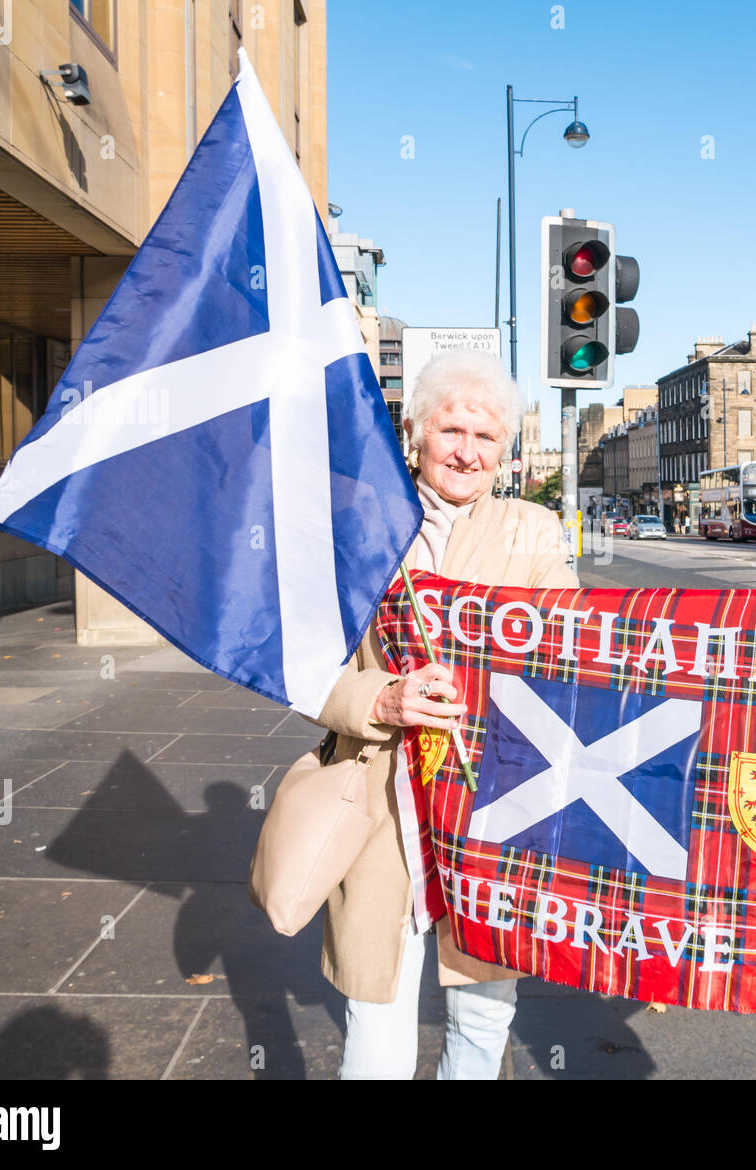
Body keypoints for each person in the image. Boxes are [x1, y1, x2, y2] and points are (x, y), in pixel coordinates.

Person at [307, 349, 578, 1079]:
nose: (467, 451)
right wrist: (380, 699)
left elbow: (571, 655)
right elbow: (308, 671)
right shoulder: (359, 528)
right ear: (415, 433)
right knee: (378, 1020)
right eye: (451, 430)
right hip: (381, 803)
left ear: (506, 451)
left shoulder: (535, 532)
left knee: (484, 1014)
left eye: (487, 437)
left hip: (494, 806)